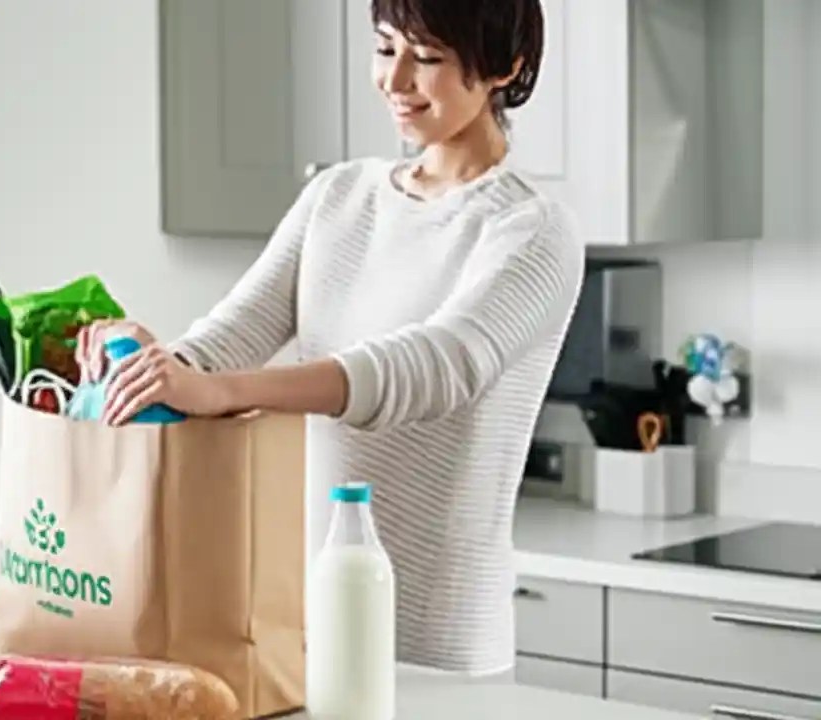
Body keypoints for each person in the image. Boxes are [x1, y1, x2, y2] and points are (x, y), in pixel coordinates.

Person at [77, 0, 583, 676]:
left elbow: (436, 367)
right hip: (306, 619)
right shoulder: (340, 196)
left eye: (427, 58)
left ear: (504, 68)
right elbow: (231, 336)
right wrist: (156, 361)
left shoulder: (532, 229)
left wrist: (218, 390)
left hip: (437, 638)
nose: (395, 79)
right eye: (384, 48)